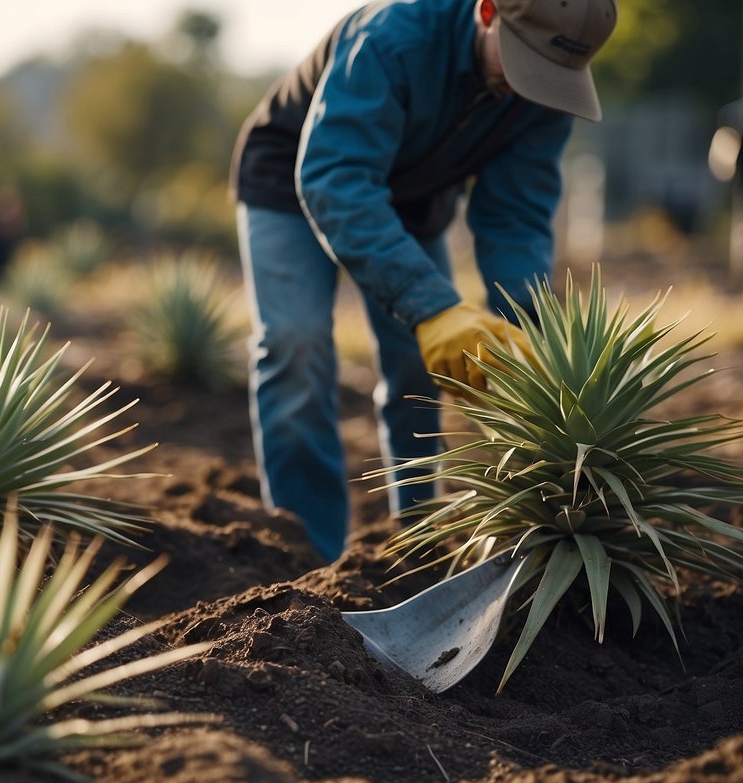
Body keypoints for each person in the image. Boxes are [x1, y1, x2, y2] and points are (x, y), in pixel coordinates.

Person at [230, 0, 617, 561]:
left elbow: (516, 218)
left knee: (420, 360)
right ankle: (305, 551)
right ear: (488, 12)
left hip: (414, 195)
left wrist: (530, 339)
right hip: (297, 178)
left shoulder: (545, 91)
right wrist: (431, 305)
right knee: (296, 343)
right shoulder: (396, 36)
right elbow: (335, 179)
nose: (525, 85)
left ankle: (416, 538)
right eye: (520, 61)